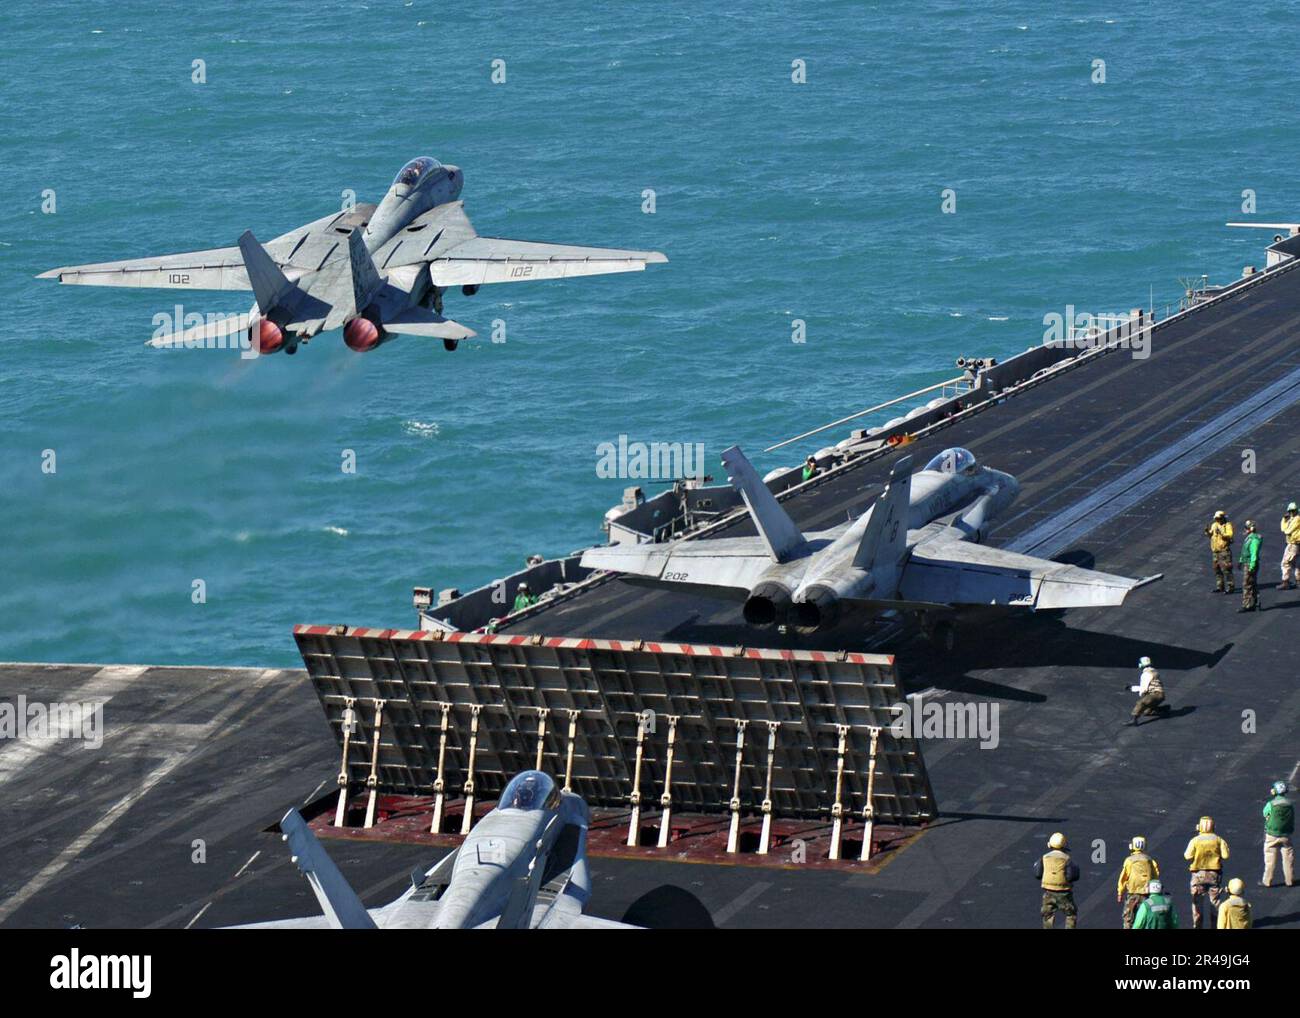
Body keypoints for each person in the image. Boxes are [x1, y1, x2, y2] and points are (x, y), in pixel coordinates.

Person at [1184, 815, 1230, 929]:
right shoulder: (1218, 839)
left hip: (1198, 875)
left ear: (1199, 827)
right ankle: (1215, 926)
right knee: (1215, 902)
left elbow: (1187, 856)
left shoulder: (1195, 840)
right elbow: (1226, 855)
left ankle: (1198, 926)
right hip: (1214, 875)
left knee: (1197, 903)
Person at [1034, 832, 1080, 929]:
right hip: (1064, 892)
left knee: (1047, 914)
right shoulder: (1067, 859)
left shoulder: (1044, 858)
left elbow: (1038, 873)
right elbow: (1072, 875)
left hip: (1048, 892)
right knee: (1070, 913)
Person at [1116, 836, 1160, 928]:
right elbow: (1156, 874)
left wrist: (1120, 892)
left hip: (1133, 894)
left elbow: (1123, 878)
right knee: (1146, 919)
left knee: (1128, 918)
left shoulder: (1129, 860)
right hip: (1146, 894)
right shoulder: (1149, 860)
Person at [1262, 779, 1295, 887]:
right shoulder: (1290, 804)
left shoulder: (1271, 804)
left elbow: (1265, 814)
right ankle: (1289, 880)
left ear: (1274, 791)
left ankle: (1267, 881)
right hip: (1286, 835)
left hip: (1272, 835)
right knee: (1288, 858)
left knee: (1270, 859)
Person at [1128, 656, 1165, 726]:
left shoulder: (1146, 674)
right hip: (1161, 695)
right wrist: (1132, 688)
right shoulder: (1154, 671)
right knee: (1146, 711)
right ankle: (1163, 710)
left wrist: (1136, 691)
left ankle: (1134, 720)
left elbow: (1144, 689)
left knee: (1141, 703)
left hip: (1154, 694)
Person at [1204, 510, 1235, 593]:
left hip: (1224, 551)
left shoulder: (1227, 525)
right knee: (1217, 569)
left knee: (1226, 569)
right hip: (1215, 551)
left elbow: (1230, 535)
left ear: (1222, 518)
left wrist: (1221, 533)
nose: (1217, 520)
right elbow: (1210, 535)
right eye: (1216, 519)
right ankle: (1220, 586)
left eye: (1218, 519)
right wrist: (1207, 531)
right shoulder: (1214, 525)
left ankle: (1230, 586)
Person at [1238, 520, 1262, 612]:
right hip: (1248, 563)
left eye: (1246, 528)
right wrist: (1241, 560)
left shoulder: (1254, 539)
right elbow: (1244, 551)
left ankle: (1247, 605)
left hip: (1250, 564)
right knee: (1252, 583)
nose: (1245, 529)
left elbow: (1254, 554)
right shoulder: (1249, 538)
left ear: (1251, 529)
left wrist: (1251, 566)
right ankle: (1256, 602)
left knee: (1247, 584)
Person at [1280, 502, 1300, 590]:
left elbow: (1287, 531)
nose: (1291, 513)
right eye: (1290, 511)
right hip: (1296, 544)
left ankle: (1285, 582)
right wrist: (1284, 520)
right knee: (1297, 563)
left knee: (1285, 563)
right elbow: (1283, 529)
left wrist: (1287, 521)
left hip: (1293, 544)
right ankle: (1298, 581)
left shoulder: (1296, 519)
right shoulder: (1292, 519)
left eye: (1293, 511)